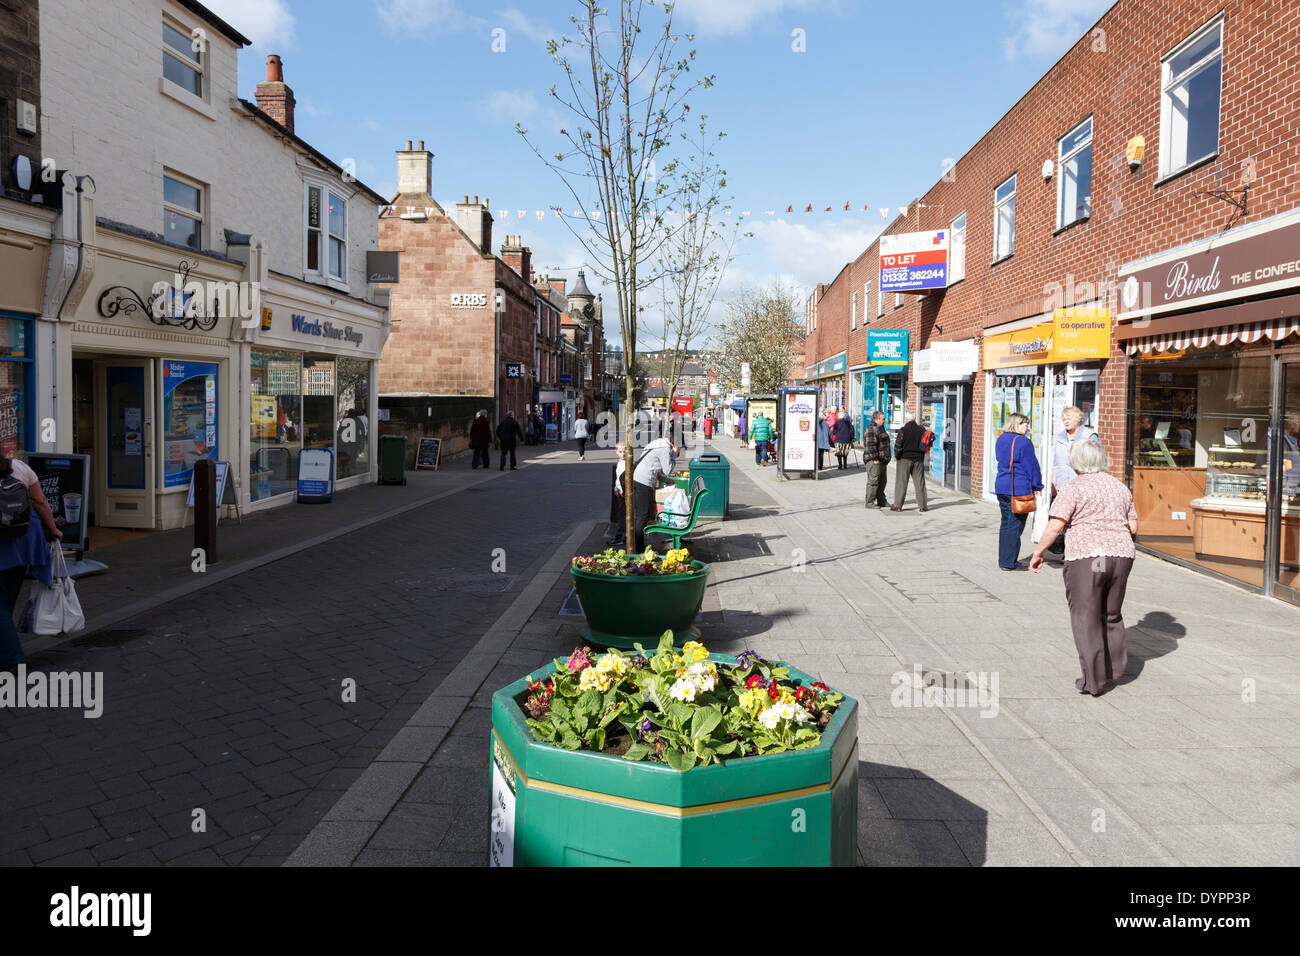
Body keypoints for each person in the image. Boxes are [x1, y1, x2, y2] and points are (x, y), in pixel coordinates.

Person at [1030, 441, 1138, 696]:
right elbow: (1133, 527)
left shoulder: (1073, 488)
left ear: (1076, 462)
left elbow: (1056, 525)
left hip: (1088, 557)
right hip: (1122, 555)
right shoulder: (1119, 487)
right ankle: (1114, 669)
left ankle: (1094, 681)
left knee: (1085, 617)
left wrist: (1038, 552)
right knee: (1111, 614)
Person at [0, 455, 60, 669]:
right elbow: (39, 501)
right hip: (25, 538)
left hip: (3, 544)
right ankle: (7, 651)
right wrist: (53, 529)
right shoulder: (19, 466)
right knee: (7, 600)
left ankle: (12, 659)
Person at [993, 412, 1044, 569]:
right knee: (1015, 526)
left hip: (1001, 486)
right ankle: (1008, 562)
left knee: (1006, 524)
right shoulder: (1023, 442)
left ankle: (1005, 559)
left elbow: (999, 459)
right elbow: (1032, 466)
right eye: (1024, 423)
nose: (1027, 427)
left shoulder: (1001, 438)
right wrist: (1037, 486)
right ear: (1016, 424)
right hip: (1018, 489)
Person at [1049, 406, 1100, 555]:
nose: (1066, 421)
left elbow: (1096, 461)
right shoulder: (1059, 437)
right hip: (1062, 484)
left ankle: (1076, 552)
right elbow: (1056, 462)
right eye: (1064, 419)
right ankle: (1065, 551)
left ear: (1078, 419)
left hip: (1082, 485)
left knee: (1079, 520)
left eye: (1069, 418)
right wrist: (1054, 482)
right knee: (1064, 519)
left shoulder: (1089, 436)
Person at [632, 437, 677, 552]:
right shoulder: (665, 449)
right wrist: (674, 455)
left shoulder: (656, 444)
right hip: (644, 482)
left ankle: (638, 547)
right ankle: (639, 550)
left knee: (640, 515)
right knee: (643, 516)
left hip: (638, 479)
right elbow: (668, 470)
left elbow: (653, 467)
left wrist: (666, 480)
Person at [891, 413, 930, 512]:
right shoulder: (922, 430)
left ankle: (897, 505)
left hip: (904, 459)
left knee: (901, 482)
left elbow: (898, 445)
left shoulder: (903, 430)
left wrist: (897, 456)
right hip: (918, 460)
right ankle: (923, 506)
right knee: (920, 483)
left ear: (907, 419)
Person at [863, 410, 891, 508]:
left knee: (882, 482)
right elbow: (870, 445)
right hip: (875, 461)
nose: (884, 421)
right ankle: (870, 502)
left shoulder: (880, 428)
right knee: (873, 482)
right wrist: (875, 458)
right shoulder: (872, 428)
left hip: (882, 460)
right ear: (876, 419)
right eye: (882, 419)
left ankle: (881, 501)